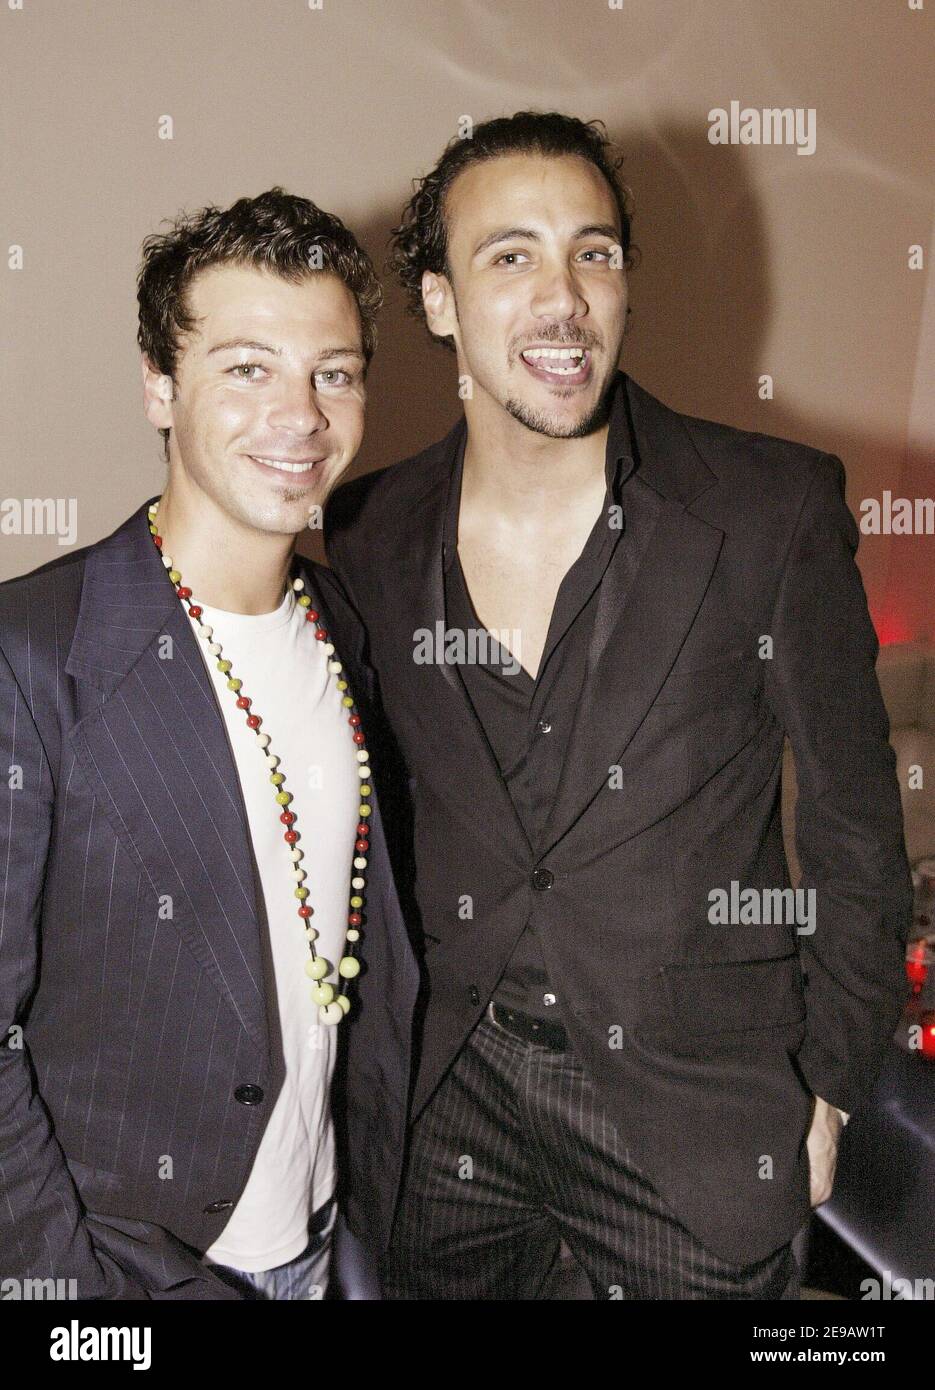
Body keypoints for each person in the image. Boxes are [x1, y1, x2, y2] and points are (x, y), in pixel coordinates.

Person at [324, 112, 913, 1299]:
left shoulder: (767, 510)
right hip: (446, 1128)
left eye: (593, 253)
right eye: (511, 256)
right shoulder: (366, 533)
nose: (564, 298)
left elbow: (857, 835)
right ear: (437, 301)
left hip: (690, 1130)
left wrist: (830, 1091)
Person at [0, 188, 417, 1300]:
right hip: (130, 1270)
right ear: (157, 383)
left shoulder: (348, 630)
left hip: (327, 1243)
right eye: (246, 367)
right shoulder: (31, 652)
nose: (301, 414)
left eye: (332, 371)